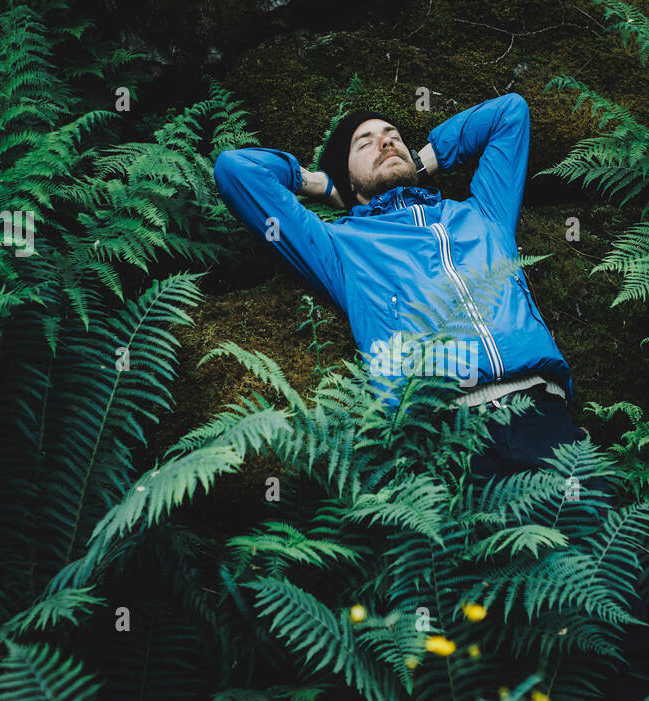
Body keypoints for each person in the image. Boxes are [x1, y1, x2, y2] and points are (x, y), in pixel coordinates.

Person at [212, 92, 605, 494]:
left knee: (606, 543)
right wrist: (319, 183)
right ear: (345, 175)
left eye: (392, 135)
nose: (384, 142)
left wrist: (424, 160)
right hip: (439, 437)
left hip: (539, 412)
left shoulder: (484, 213)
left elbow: (510, 113)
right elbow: (235, 169)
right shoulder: (340, 246)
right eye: (363, 143)